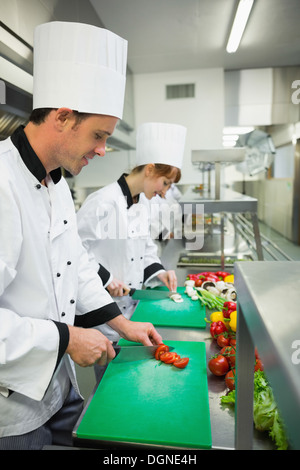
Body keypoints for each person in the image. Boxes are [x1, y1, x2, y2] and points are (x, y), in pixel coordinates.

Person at [0, 21, 162, 450]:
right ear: (63, 117)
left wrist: (121, 323)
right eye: (99, 136)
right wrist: (69, 338)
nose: (103, 150)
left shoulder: (56, 185)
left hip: (58, 387)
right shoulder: (2, 184)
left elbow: (78, 267)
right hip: (11, 411)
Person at [77, 122, 186, 378]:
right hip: (103, 315)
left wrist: (160, 272)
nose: (164, 191)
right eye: (165, 182)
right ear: (149, 170)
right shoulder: (103, 201)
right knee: (108, 387)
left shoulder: (142, 204)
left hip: (132, 313)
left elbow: (145, 248)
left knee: (131, 381)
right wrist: (105, 278)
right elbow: (74, 252)